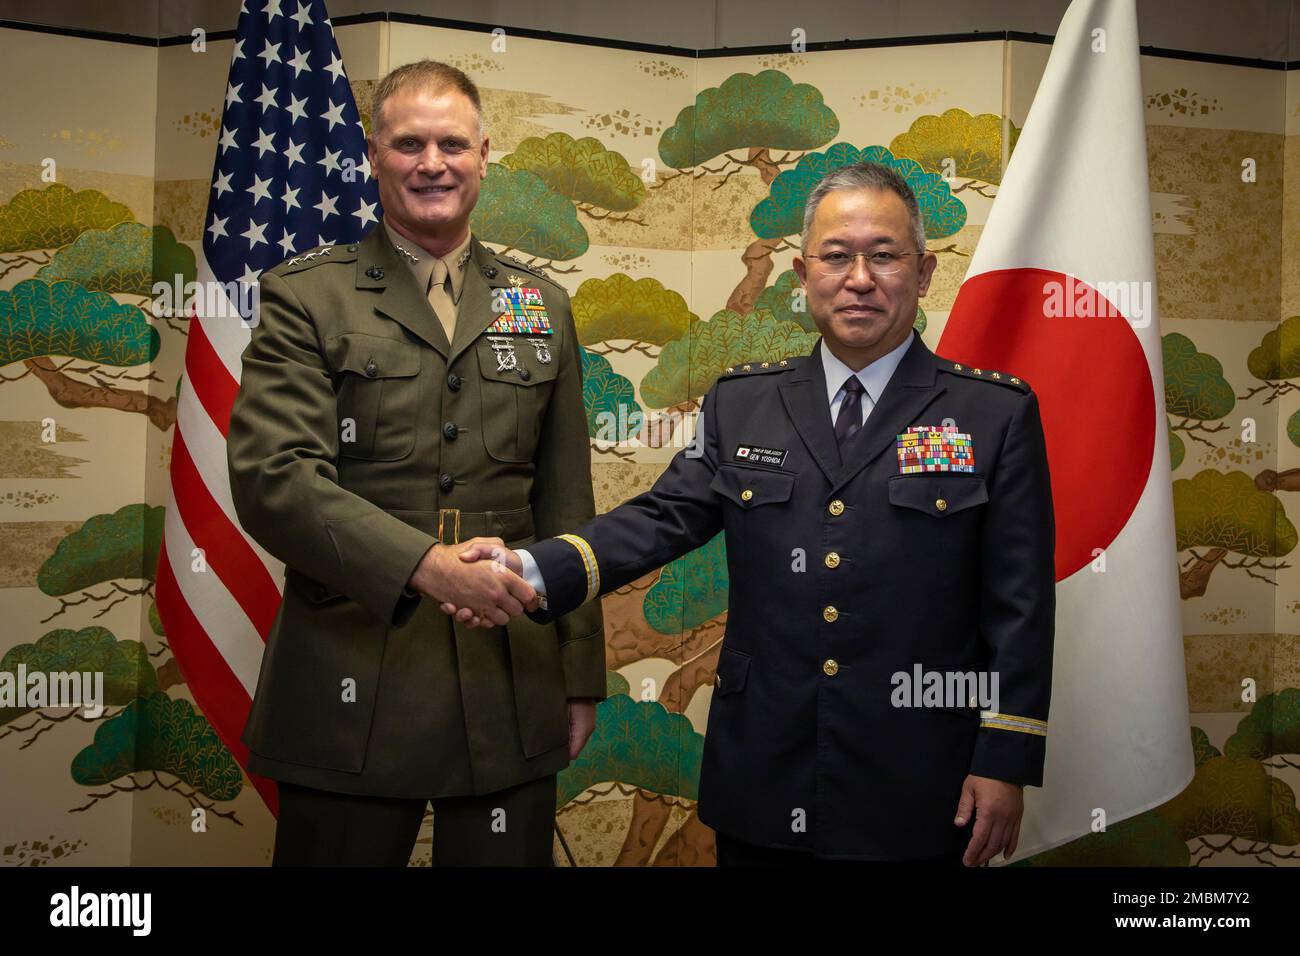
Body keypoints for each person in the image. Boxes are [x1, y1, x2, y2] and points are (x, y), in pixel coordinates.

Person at [449, 162, 1056, 866]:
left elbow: (1020, 606)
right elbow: (662, 517)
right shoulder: (743, 403)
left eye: (884, 256)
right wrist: (528, 566)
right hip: (767, 771)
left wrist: (1004, 760)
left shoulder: (993, 413)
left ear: (922, 274)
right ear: (802, 276)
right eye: (835, 256)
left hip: (920, 777)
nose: (858, 277)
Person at [226, 60, 604, 866]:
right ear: (372, 154)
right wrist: (430, 568)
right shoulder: (306, 296)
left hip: (509, 683)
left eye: (451, 143)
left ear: (483, 153)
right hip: (348, 683)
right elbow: (274, 479)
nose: (432, 162)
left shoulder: (541, 305)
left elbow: (567, 503)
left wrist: (579, 672)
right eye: (408, 144)